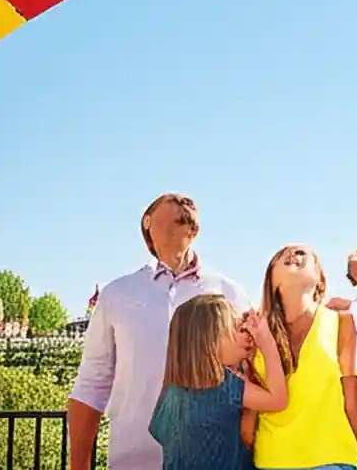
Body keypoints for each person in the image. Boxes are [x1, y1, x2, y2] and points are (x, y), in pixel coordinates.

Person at [68, 193, 252, 470]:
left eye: (189, 204)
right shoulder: (117, 294)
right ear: (147, 222)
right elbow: (91, 385)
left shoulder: (230, 293)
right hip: (132, 462)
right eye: (173, 201)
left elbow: (250, 375)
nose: (185, 203)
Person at [247, 244, 357, 470]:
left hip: (331, 460)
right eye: (281, 254)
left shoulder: (342, 324)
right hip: (270, 462)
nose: (293, 254)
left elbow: (353, 416)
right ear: (271, 277)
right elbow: (246, 423)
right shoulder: (253, 332)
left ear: (319, 280)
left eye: (302, 253)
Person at [149, 295, 288, 470]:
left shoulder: (171, 390)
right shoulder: (223, 386)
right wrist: (268, 343)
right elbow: (278, 400)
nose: (245, 334)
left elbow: (158, 431)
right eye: (236, 328)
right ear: (211, 341)